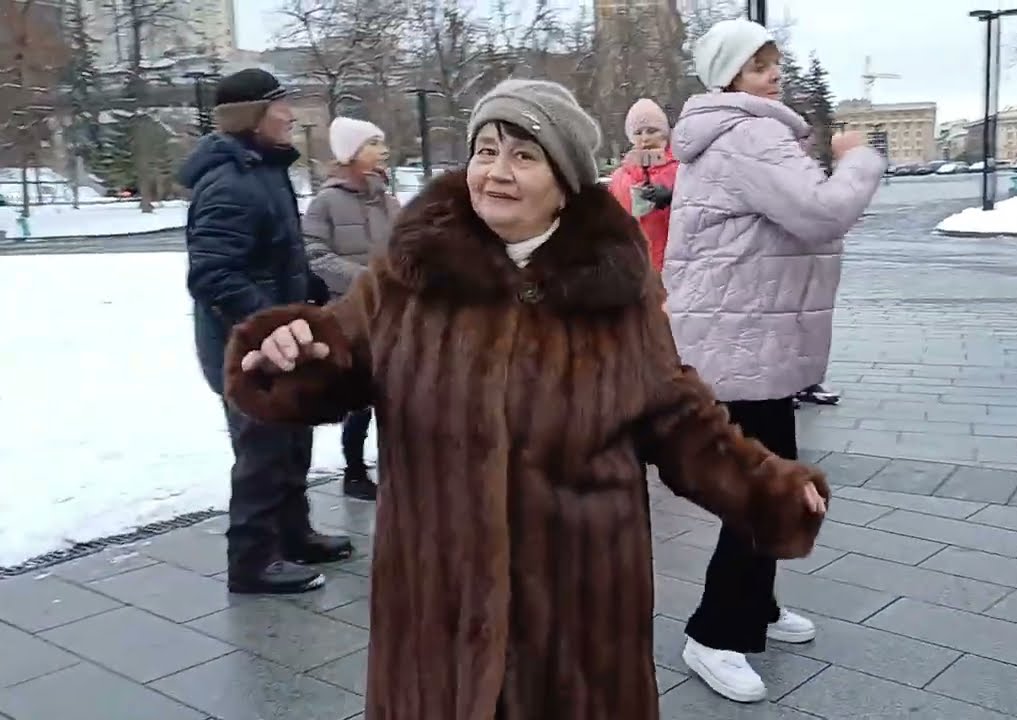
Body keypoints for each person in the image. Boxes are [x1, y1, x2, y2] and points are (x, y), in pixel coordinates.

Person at [221, 78, 830, 720]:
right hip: (440, 605)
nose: (497, 172)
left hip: (579, 608)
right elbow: (337, 353)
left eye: (524, 155)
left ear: (564, 180)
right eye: (486, 150)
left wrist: (766, 488)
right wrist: (291, 353)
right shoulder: (411, 276)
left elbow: (676, 416)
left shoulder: (615, 292)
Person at [662, 18, 885, 702]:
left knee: (774, 482)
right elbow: (821, 212)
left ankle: (754, 606)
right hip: (742, 347)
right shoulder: (749, 133)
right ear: (730, 75)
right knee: (766, 492)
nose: (775, 73)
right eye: (760, 64)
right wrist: (858, 157)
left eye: (775, 61)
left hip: (742, 343)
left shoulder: (729, 133)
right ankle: (714, 633)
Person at [179, 68, 352, 595]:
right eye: (281, 105)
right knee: (262, 451)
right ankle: (252, 561)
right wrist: (268, 325)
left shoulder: (262, 171)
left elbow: (272, 255)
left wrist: (310, 292)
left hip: (280, 339)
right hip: (246, 348)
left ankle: (293, 535)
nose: (291, 114)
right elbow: (212, 275)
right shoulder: (231, 184)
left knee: (292, 439)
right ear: (253, 115)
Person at [302, 116, 401, 501]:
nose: (383, 150)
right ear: (350, 153)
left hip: (392, 314)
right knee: (359, 398)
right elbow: (314, 254)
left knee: (396, 396)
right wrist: (365, 281)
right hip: (350, 314)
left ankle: (397, 470)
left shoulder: (389, 201)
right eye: (373, 143)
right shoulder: (326, 202)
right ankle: (355, 472)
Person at [608, 98, 677, 271]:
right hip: (636, 269)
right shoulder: (620, 176)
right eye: (638, 133)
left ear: (664, 133)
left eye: (652, 131)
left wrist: (674, 197)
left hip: (676, 266)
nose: (645, 139)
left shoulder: (681, 169)